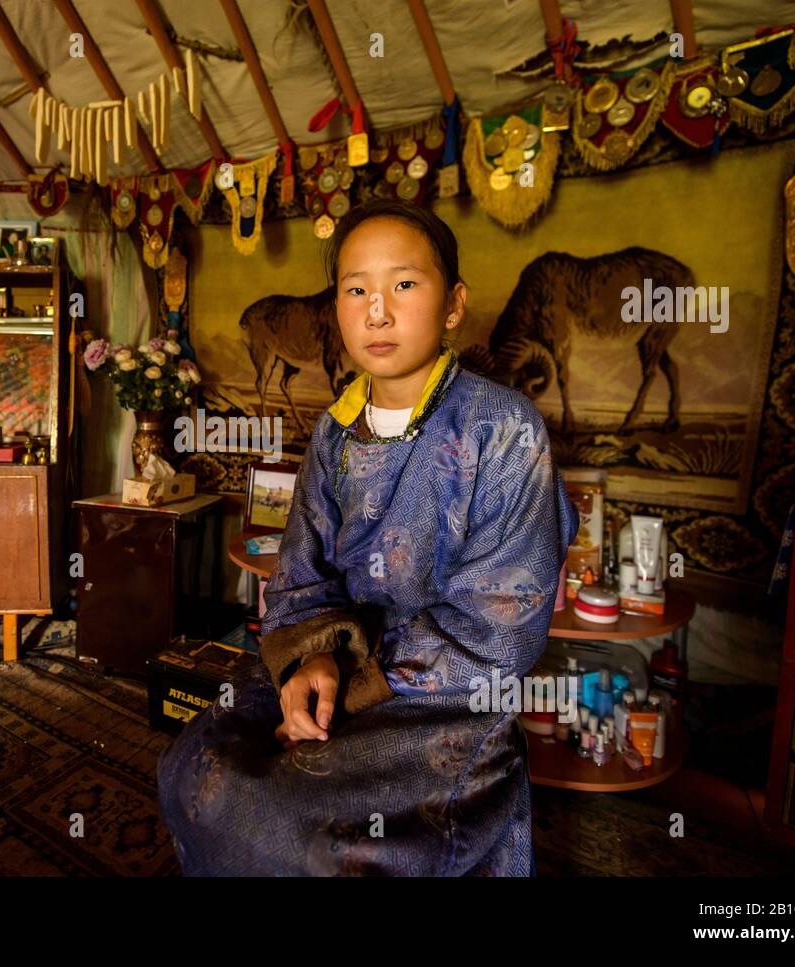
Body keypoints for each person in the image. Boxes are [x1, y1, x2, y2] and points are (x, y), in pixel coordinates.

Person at [157, 198, 580, 876]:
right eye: (356, 289)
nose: (377, 311)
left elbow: (501, 625)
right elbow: (300, 571)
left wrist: (348, 679)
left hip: (442, 699)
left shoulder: (505, 427)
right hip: (327, 662)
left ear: (453, 303)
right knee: (194, 769)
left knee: (306, 832)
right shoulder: (333, 432)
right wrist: (309, 663)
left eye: (404, 284)